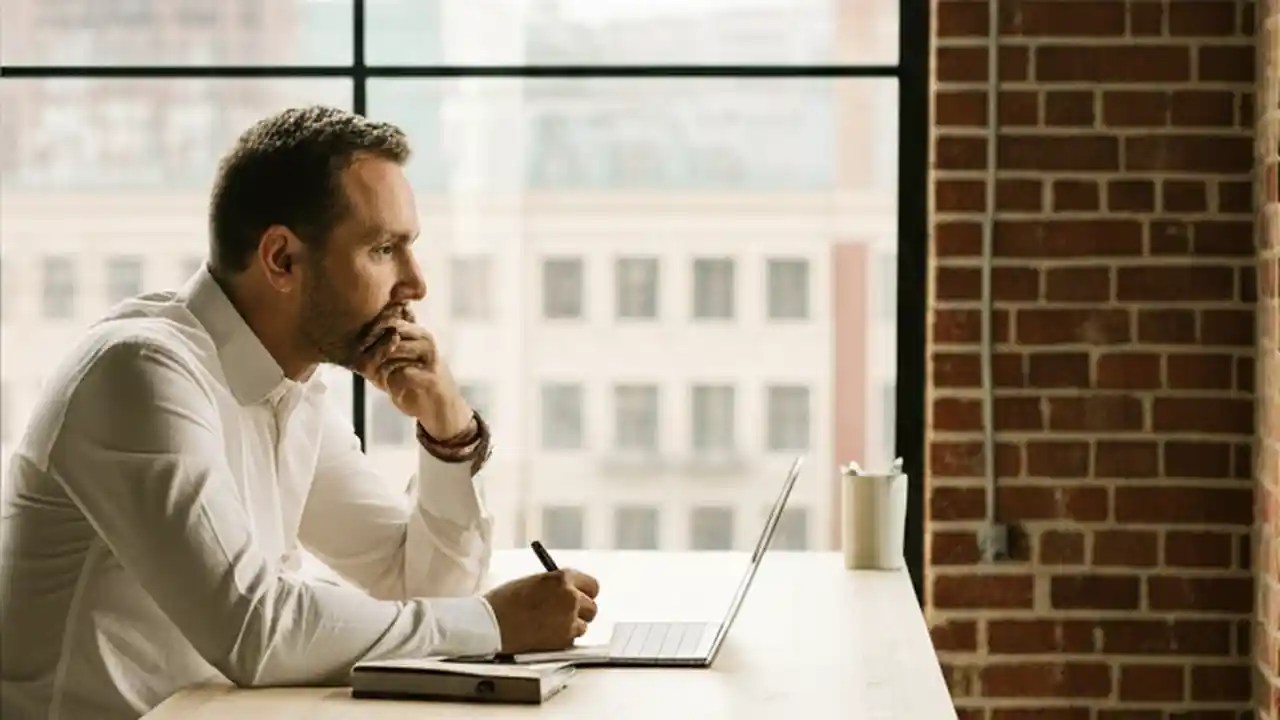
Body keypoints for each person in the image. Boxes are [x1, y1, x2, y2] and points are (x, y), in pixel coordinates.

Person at [0, 106, 600, 720]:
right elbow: (255, 631)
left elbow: (417, 585)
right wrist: (493, 624)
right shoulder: (140, 375)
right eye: (383, 249)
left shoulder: (289, 390)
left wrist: (448, 431)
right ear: (282, 259)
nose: (416, 284)